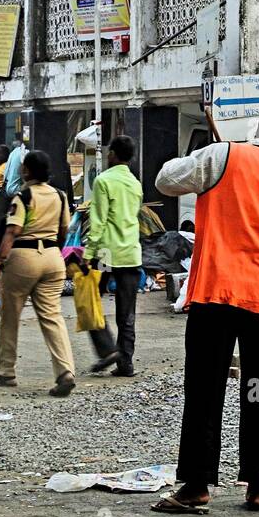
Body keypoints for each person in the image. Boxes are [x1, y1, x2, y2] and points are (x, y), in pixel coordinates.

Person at [151, 109, 259, 514]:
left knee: (205, 390)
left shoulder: (219, 157)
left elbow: (165, 180)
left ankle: (196, 487)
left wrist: (207, 159)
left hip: (214, 294)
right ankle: (257, 486)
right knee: (258, 389)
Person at [0, 150, 75, 397]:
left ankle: (6, 372)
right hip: (54, 259)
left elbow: (12, 232)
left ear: (26, 171)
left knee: (10, 315)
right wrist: (55, 251)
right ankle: (65, 371)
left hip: (23, 258)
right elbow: (64, 230)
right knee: (52, 316)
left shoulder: (23, 197)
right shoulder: (60, 196)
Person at [82, 136, 143, 376]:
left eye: (109, 152)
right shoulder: (135, 183)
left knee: (88, 300)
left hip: (106, 253)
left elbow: (98, 221)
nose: (107, 156)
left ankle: (107, 349)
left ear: (115, 154)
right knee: (126, 313)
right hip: (130, 253)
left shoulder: (103, 180)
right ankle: (125, 364)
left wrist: (88, 253)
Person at [2, 134, 27, 201]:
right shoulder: (25, 152)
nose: (13, 142)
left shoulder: (13, 152)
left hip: (7, 190)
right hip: (16, 190)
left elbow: (6, 173)